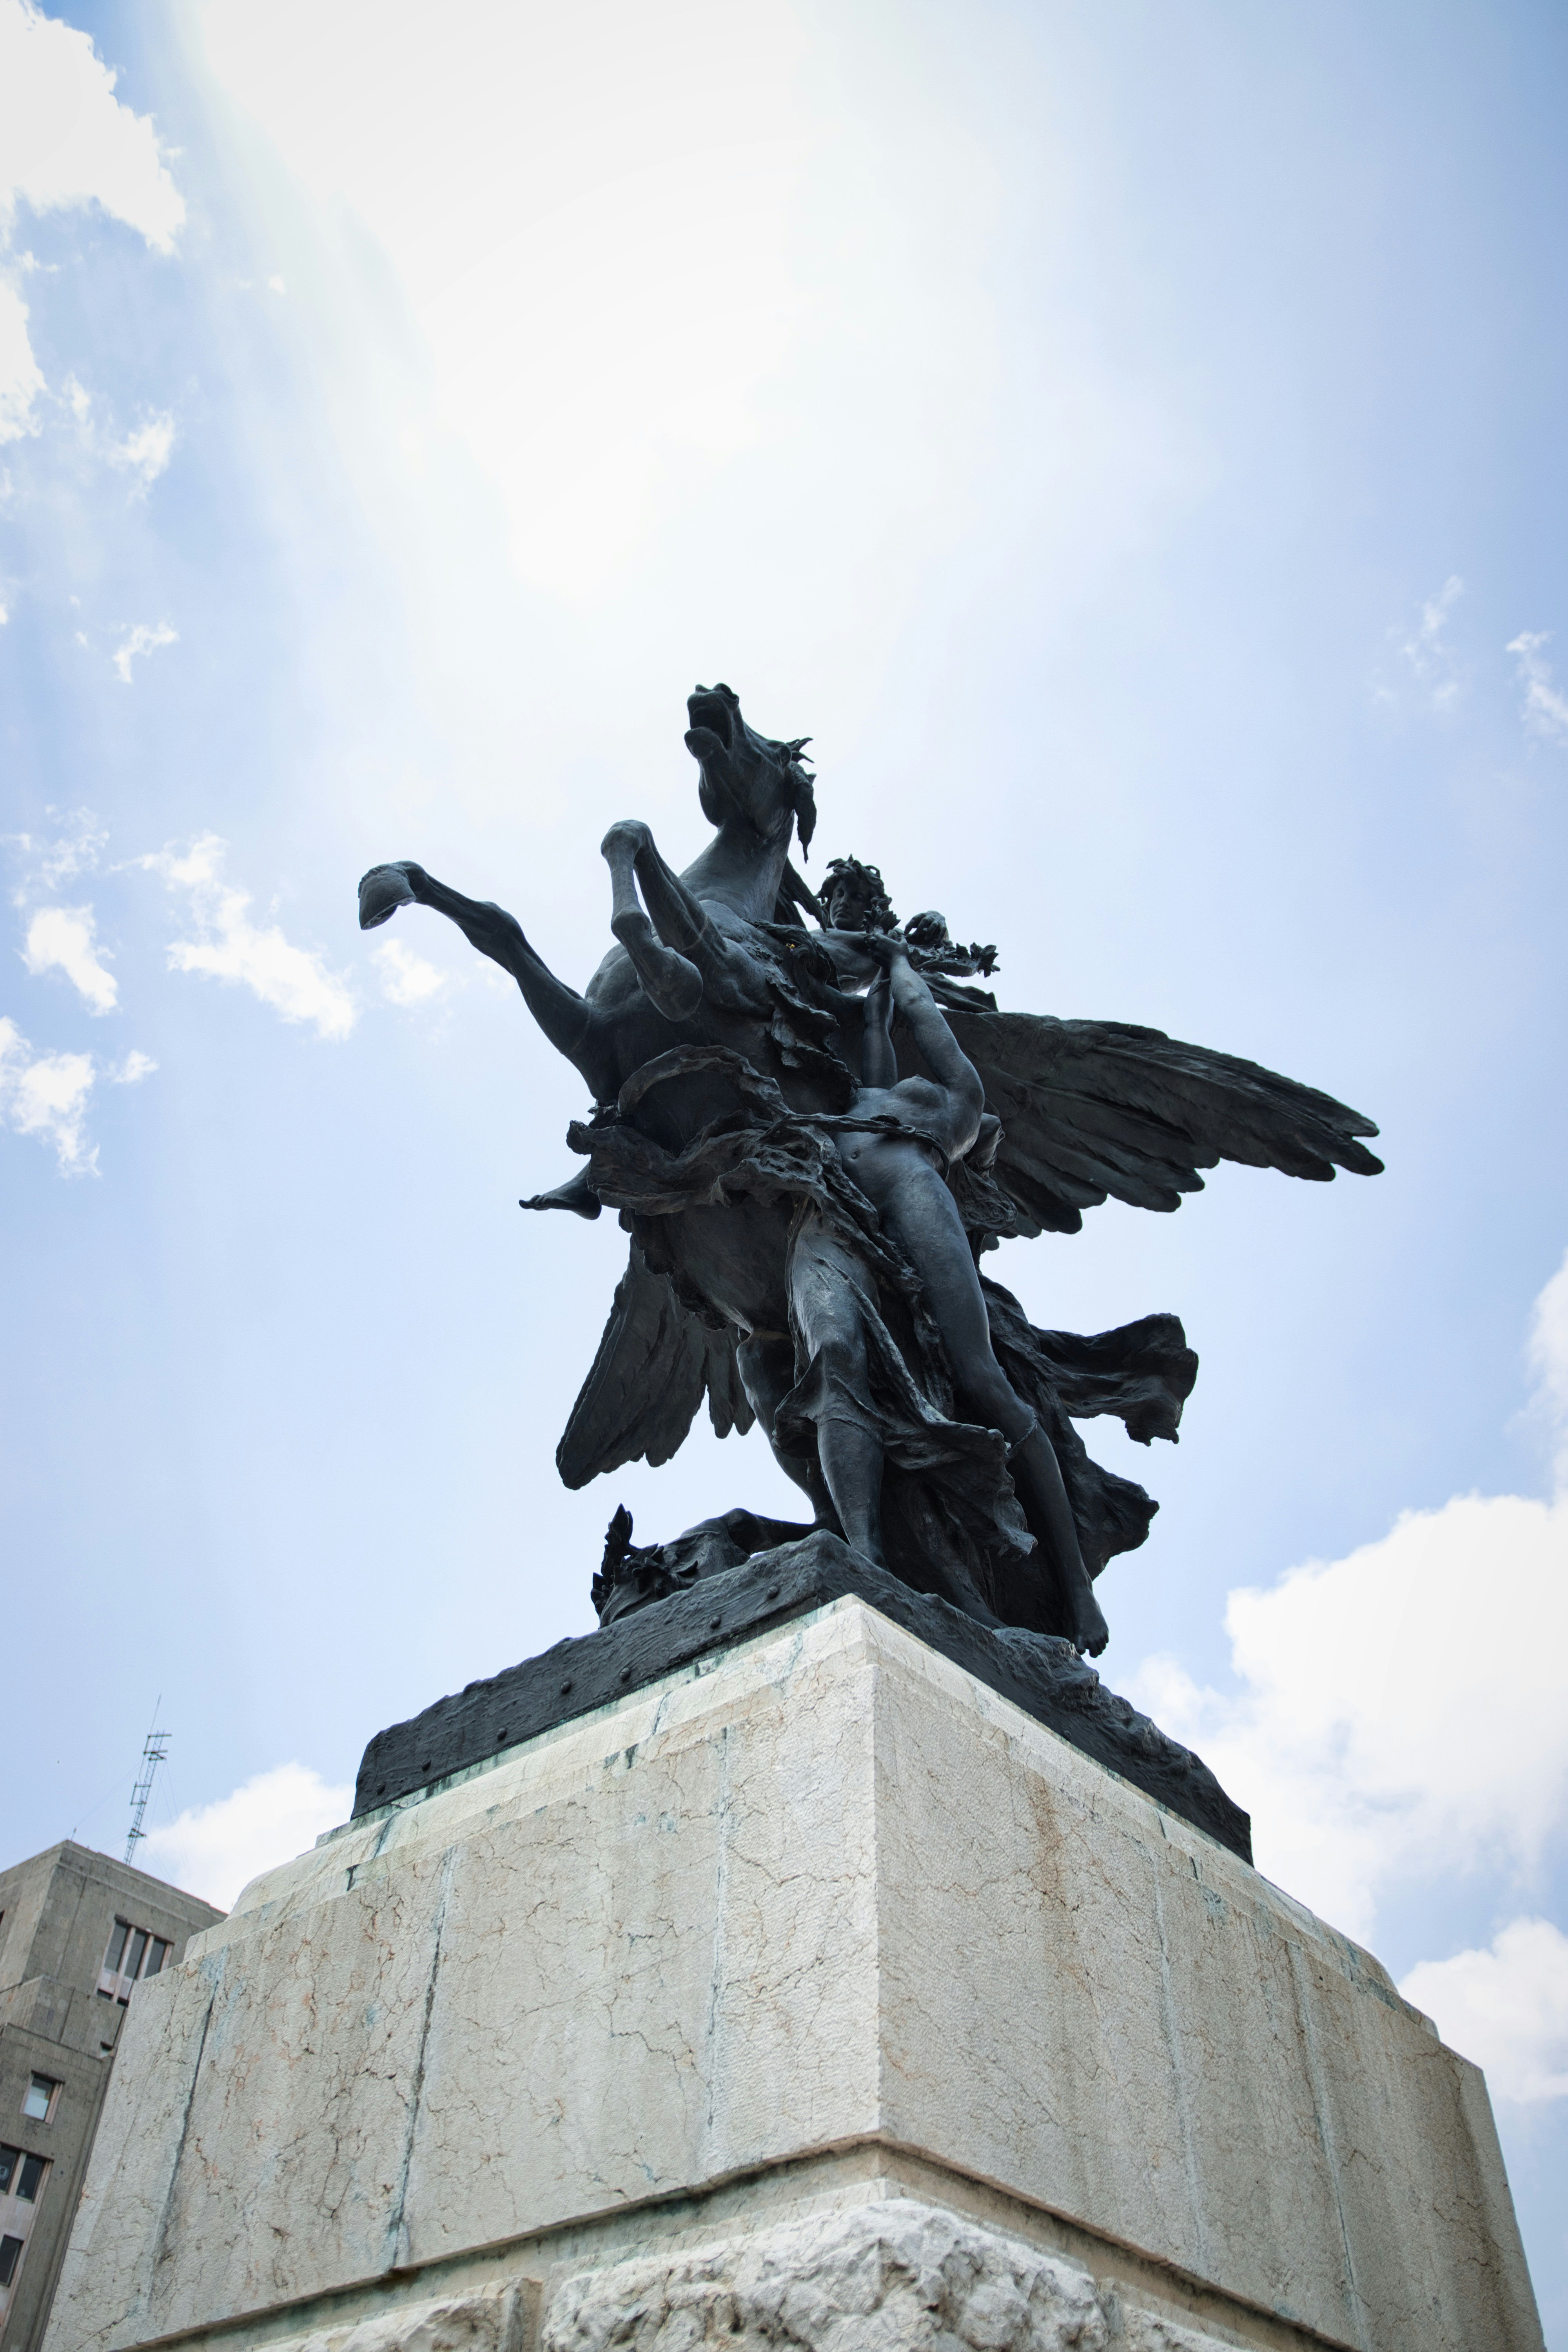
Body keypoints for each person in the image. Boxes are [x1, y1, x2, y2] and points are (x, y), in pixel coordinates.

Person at [796, 934, 1110, 1655]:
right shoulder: (853, 1094)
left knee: (984, 1379)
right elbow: (873, 1025)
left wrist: (898, 960)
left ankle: (1077, 1585)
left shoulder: (954, 1105)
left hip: (910, 1186)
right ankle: (862, 1560)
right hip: (824, 1198)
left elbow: (914, 1011)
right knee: (832, 1352)